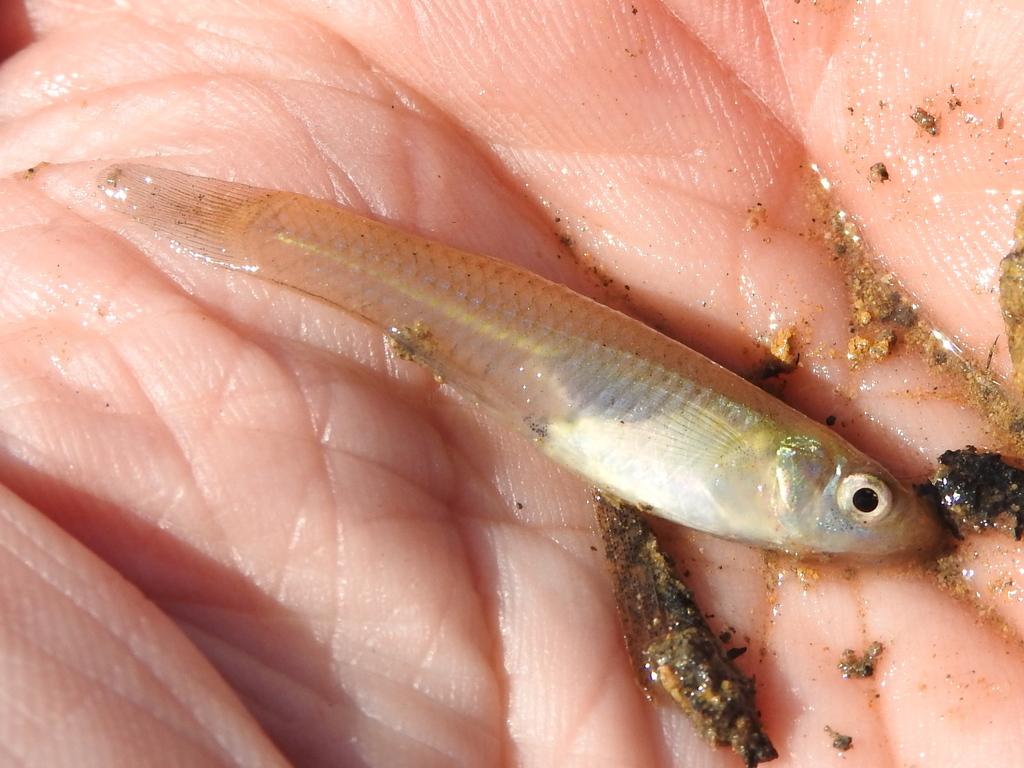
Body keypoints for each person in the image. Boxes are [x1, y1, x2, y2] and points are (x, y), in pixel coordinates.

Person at [0, 2, 1018, 766]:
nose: (871, 505)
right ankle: (212, 217)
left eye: (865, 493)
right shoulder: (770, 460)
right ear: (797, 472)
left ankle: (203, 215)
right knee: (341, 266)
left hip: (568, 394)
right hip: (549, 367)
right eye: (861, 496)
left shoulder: (777, 478)